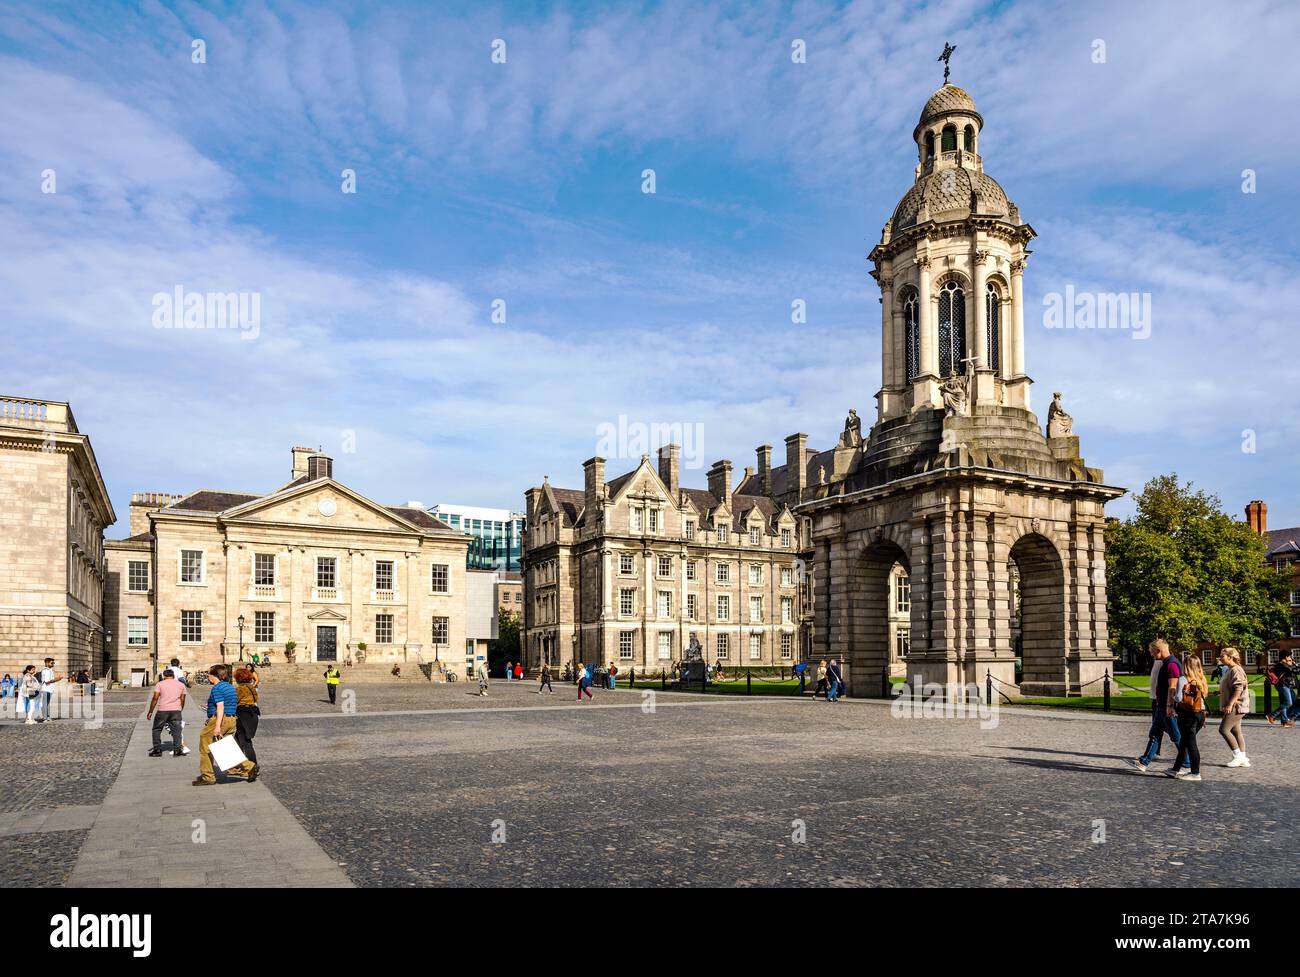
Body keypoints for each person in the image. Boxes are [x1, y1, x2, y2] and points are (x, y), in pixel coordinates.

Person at [1133, 639, 1189, 773]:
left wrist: (1170, 706)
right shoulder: (1166, 663)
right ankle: (1144, 762)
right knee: (1155, 733)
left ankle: (1187, 764)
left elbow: (1172, 687)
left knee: (1176, 735)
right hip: (1162, 706)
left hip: (1167, 707)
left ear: (1159, 650)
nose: (1151, 655)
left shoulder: (1171, 664)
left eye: (1152, 652)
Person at [194, 664, 239, 786]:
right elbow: (230, 703)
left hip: (220, 719)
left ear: (215, 675)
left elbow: (220, 706)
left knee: (205, 746)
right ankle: (249, 768)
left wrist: (217, 725)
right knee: (225, 747)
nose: (208, 676)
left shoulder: (217, 688)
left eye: (209, 673)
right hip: (231, 718)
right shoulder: (230, 687)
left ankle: (208, 776)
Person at [1168, 652, 1208, 781]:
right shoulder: (1201, 678)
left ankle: (1195, 773)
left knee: (1191, 744)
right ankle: (1176, 769)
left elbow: (1179, 698)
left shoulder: (1183, 679)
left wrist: (1173, 694)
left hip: (1187, 715)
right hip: (1200, 714)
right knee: (1185, 742)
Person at [1216, 647, 1251, 768]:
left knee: (1223, 730)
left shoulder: (1236, 670)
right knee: (1236, 731)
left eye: (1222, 656)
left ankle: (1238, 756)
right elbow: (1231, 687)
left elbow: (1238, 689)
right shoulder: (1230, 670)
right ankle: (1243, 757)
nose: (1220, 658)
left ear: (1230, 657)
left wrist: (1230, 704)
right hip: (1236, 704)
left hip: (1236, 705)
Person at [146, 668, 187, 757]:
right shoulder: (181, 685)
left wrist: (150, 711)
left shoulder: (160, 684)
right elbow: (183, 699)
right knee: (177, 731)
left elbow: (155, 698)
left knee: (157, 729)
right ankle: (177, 750)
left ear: (164, 676)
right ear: (173, 676)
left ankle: (157, 750)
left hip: (162, 710)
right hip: (176, 711)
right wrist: (180, 709)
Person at [231, 666, 261, 783]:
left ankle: (253, 767)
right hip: (252, 714)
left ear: (238, 678)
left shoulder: (240, 689)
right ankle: (237, 766)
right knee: (237, 741)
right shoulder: (251, 687)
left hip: (243, 715)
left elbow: (235, 701)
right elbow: (255, 698)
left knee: (246, 742)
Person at [1267, 651, 1297, 726]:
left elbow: (1292, 673)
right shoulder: (1281, 664)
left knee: (1290, 701)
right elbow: (1292, 671)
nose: (1290, 657)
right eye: (1289, 656)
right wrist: (1295, 665)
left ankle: (1285, 720)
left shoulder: (1285, 664)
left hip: (1287, 685)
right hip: (1282, 685)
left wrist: (1292, 664)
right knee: (1288, 702)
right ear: (1286, 657)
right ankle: (1272, 715)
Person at [37, 657, 61, 722]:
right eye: (52, 663)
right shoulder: (46, 671)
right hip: (46, 689)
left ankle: (47, 716)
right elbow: (47, 681)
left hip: (49, 689)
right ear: (47, 663)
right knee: (45, 704)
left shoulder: (50, 670)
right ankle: (45, 717)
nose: (53, 664)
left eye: (53, 663)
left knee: (47, 704)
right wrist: (57, 679)